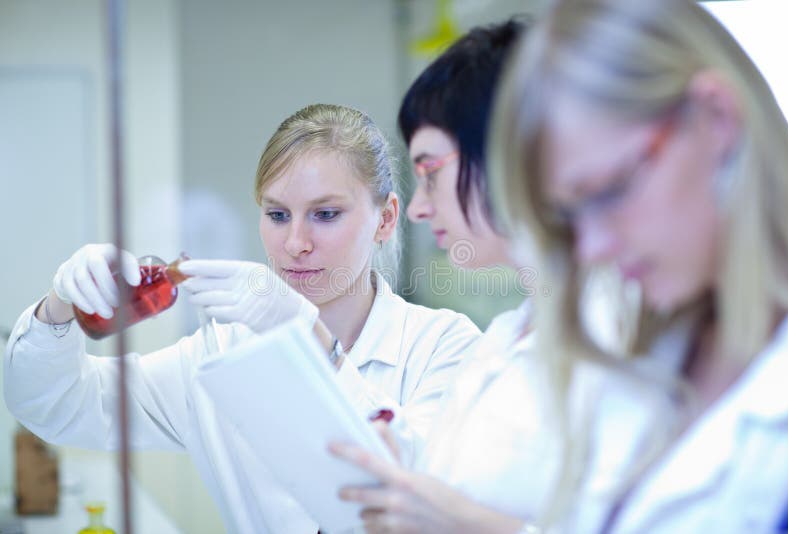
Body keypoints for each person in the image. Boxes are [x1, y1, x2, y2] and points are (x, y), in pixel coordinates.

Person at [339, 0, 788, 532]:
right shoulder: (665, 344)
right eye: (569, 211)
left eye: (608, 190)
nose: (592, 247)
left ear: (716, 118)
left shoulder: (626, 333)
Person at [3, 103, 480, 533]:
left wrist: (312, 341)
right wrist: (58, 307)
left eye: (326, 214)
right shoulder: (218, 354)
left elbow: (424, 493)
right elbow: (55, 405)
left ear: (386, 218)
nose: (295, 243)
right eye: (277, 215)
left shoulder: (444, 346)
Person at [331, 19, 556, 533]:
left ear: (507, 151)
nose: (417, 210)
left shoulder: (619, 336)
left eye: (430, 174)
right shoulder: (505, 337)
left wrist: (466, 525)